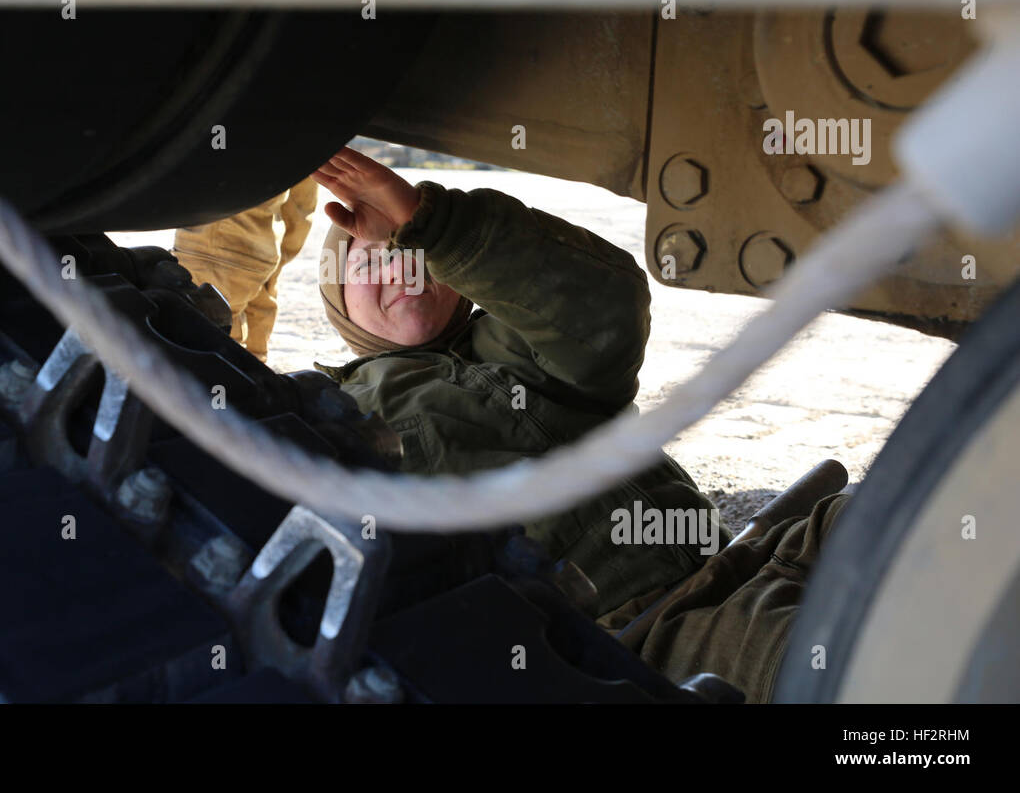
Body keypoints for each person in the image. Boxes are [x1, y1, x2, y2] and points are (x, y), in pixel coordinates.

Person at [310, 146, 850, 703]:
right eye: (370, 263)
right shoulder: (340, 414)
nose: (401, 271)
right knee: (854, 661)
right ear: (337, 298)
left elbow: (605, 307)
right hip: (648, 636)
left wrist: (436, 224)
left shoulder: (516, 337)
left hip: (747, 555)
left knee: (897, 519)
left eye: (417, 254)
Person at [173, 178, 318, 364]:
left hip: (221, 242)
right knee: (248, 352)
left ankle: (233, 371)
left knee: (210, 331)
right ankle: (250, 369)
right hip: (259, 243)